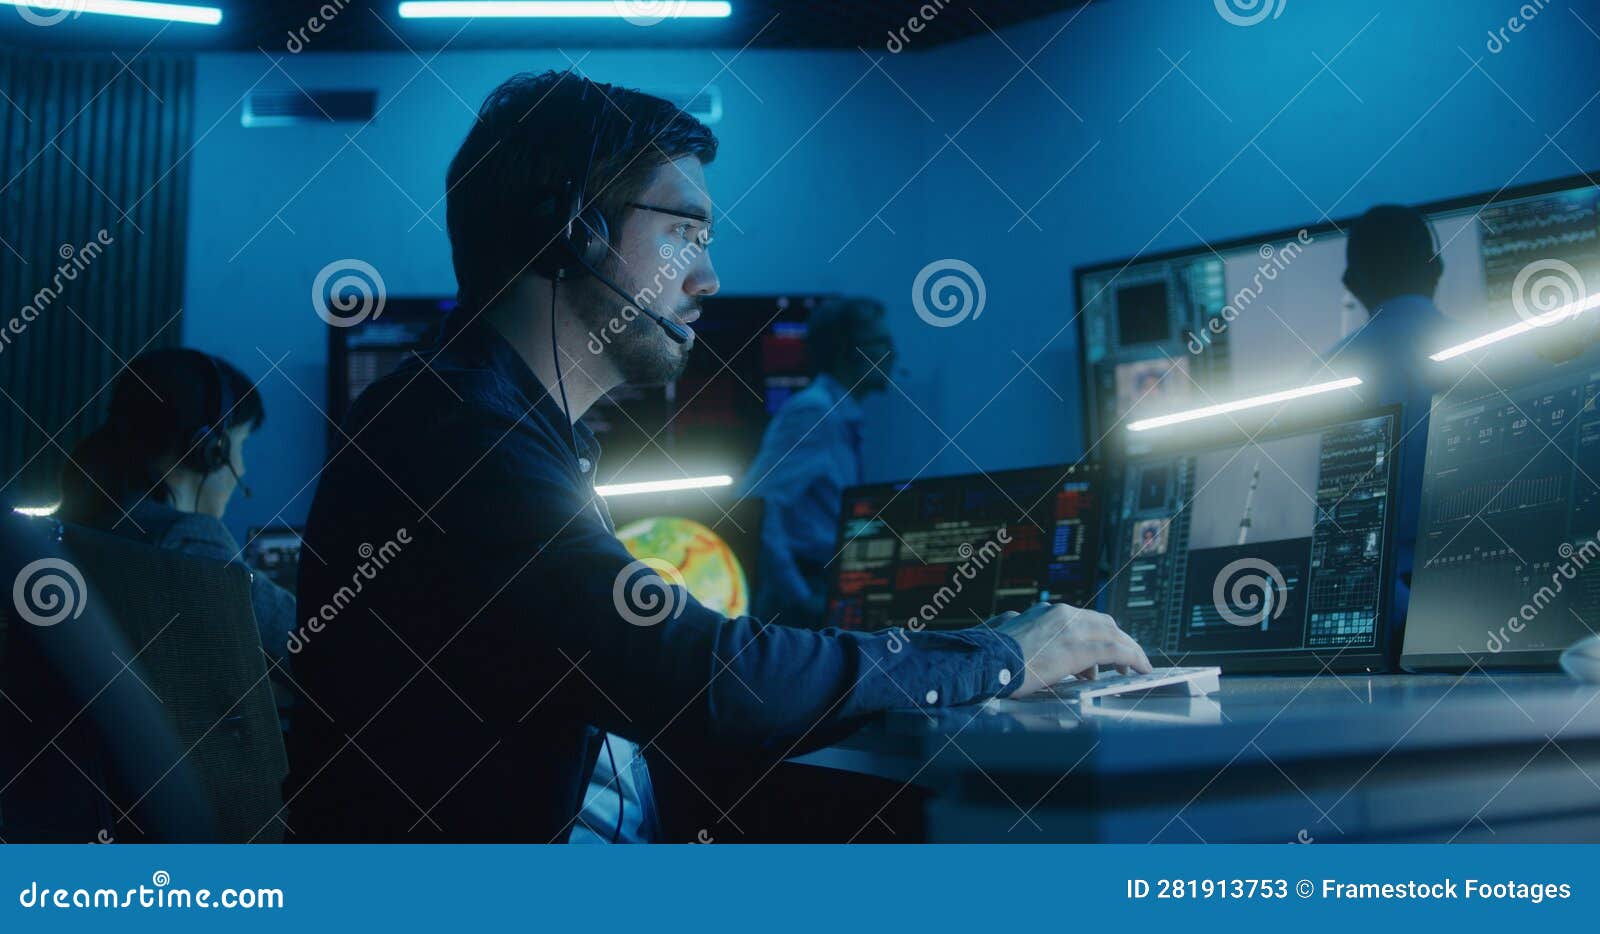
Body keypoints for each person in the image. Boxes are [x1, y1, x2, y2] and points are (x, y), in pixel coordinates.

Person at [286, 70, 1150, 843]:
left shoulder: (512, 430)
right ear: (572, 231)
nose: (709, 279)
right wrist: (1004, 656)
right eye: (685, 233)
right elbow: (708, 678)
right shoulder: (456, 438)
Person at [57, 348, 297, 723]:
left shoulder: (82, 524)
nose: (243, 467)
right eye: (240, 445)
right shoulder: (187, 542)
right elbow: (313, 650)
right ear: (210, 451)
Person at [1319, 205, 1456, 623]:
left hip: (1373, 614)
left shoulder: (1325, 379)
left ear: (1352, 283)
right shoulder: (1497, 358)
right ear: (1437, 267)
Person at [738, 297, 894, 629]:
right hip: (806, 591)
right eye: (879, 343)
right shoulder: (814, 412)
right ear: (845, 351)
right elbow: (759, 504)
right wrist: (799, 597)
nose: (892, 355)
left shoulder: (839, 414)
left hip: (824, 584)